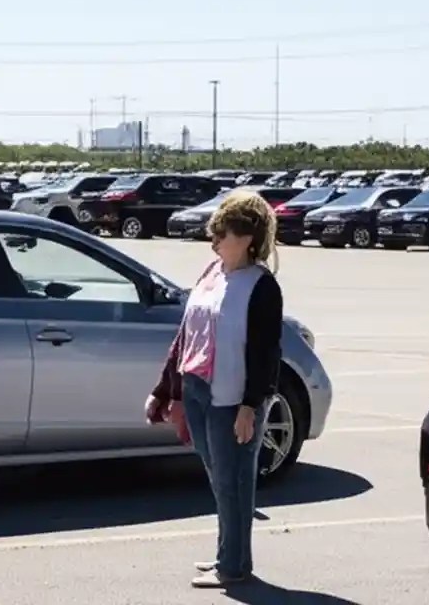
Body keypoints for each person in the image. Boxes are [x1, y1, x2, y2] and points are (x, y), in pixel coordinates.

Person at [144, 189, 284, 588]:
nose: (215, 240)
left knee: (235, 481)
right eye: (215, 232)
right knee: (218, 479)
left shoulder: (261, 287)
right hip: (198, 389)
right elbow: (186, 335)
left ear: (247, 238)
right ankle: (229, 555)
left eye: (222, 233)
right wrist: (165, 389)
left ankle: (234, 568)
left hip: (232, 399)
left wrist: (250, 406)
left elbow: (265, 353)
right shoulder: (211, 273)